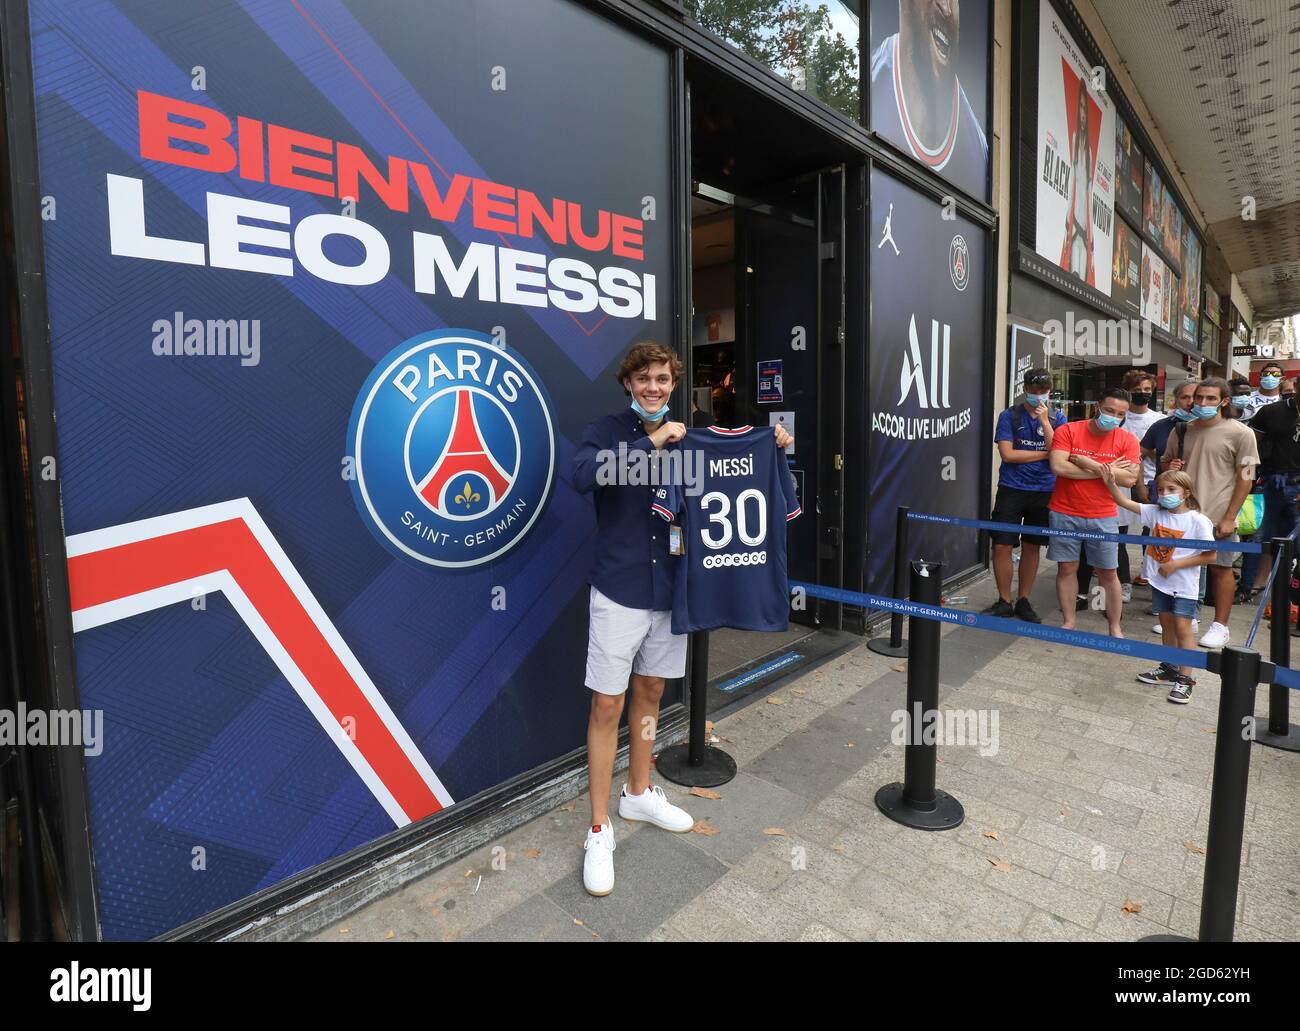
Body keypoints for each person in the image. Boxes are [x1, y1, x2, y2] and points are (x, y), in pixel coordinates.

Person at [572, 342, 792, 897]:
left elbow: (731, 475)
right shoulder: (609, 431)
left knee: (650, 693)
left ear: (673, 384)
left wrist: (774, 447)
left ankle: (639, 791)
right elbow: (582, 476)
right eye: (644, 378)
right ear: (628, 383)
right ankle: (599, 828)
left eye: (663, 379)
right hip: (620, 589)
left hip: (671, 589)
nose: (654, 387)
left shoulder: (691, 437)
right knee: (607, 703)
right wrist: (652, 441)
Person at [1101, 467, 1215, 703]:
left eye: (1172, 489)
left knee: (1183, 629)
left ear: (1186, 493)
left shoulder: (1198, 521)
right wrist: (1111, 483)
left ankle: (1186, 679)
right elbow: (1122, 501)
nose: (1165, 494)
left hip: (1184, 586)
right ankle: (1169, 667)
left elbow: (1210, 555)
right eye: (1160, 489)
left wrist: (1176, 564)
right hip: (1160, 583)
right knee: (1166, 625)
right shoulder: (1154, 512)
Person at [1162, 378, 1260, 649]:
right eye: (1199, 398)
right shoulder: (1181, 430)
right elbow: (1164, 467)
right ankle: (1187, 616)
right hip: (1183, 514)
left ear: (1224, 401)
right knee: (1183, 568)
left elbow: (1247, 477)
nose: (1202, 403)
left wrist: (1230, 516)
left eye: (1210, 399)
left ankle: (1220, 625)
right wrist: (1170, 465)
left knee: (1221, 568)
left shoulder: (1242, 433)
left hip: (1219, 514)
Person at [1047, 389, 1141, 635]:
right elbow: (1058, 467)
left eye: (1120, 414)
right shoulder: (1068, 430)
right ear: (1098, 406)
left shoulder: (1127, 440)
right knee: (1067, 568)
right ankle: (1069, 621)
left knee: (1109, 572)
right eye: (1109, 410)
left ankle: (1115, 626)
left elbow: (1130, 479)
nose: (1114, 417)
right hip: (1064, 511)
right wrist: (1108, 470)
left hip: (1104, 514)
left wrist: (1087, 463)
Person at [984, 368, 1065, 622]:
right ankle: (1004, 600)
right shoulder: (1010, 416)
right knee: (1001, 544)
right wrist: (1044, 454)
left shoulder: (1058, 418)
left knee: (1032, 547)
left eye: (1043, 391)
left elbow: (1060, 452)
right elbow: (1008, 454)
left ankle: (1024, 600)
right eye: (1034, 391)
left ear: (1050, 391)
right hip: (1012, 487)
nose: (1038, 396)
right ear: (1025, 389)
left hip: (1044, 490)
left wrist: (1043, 422)